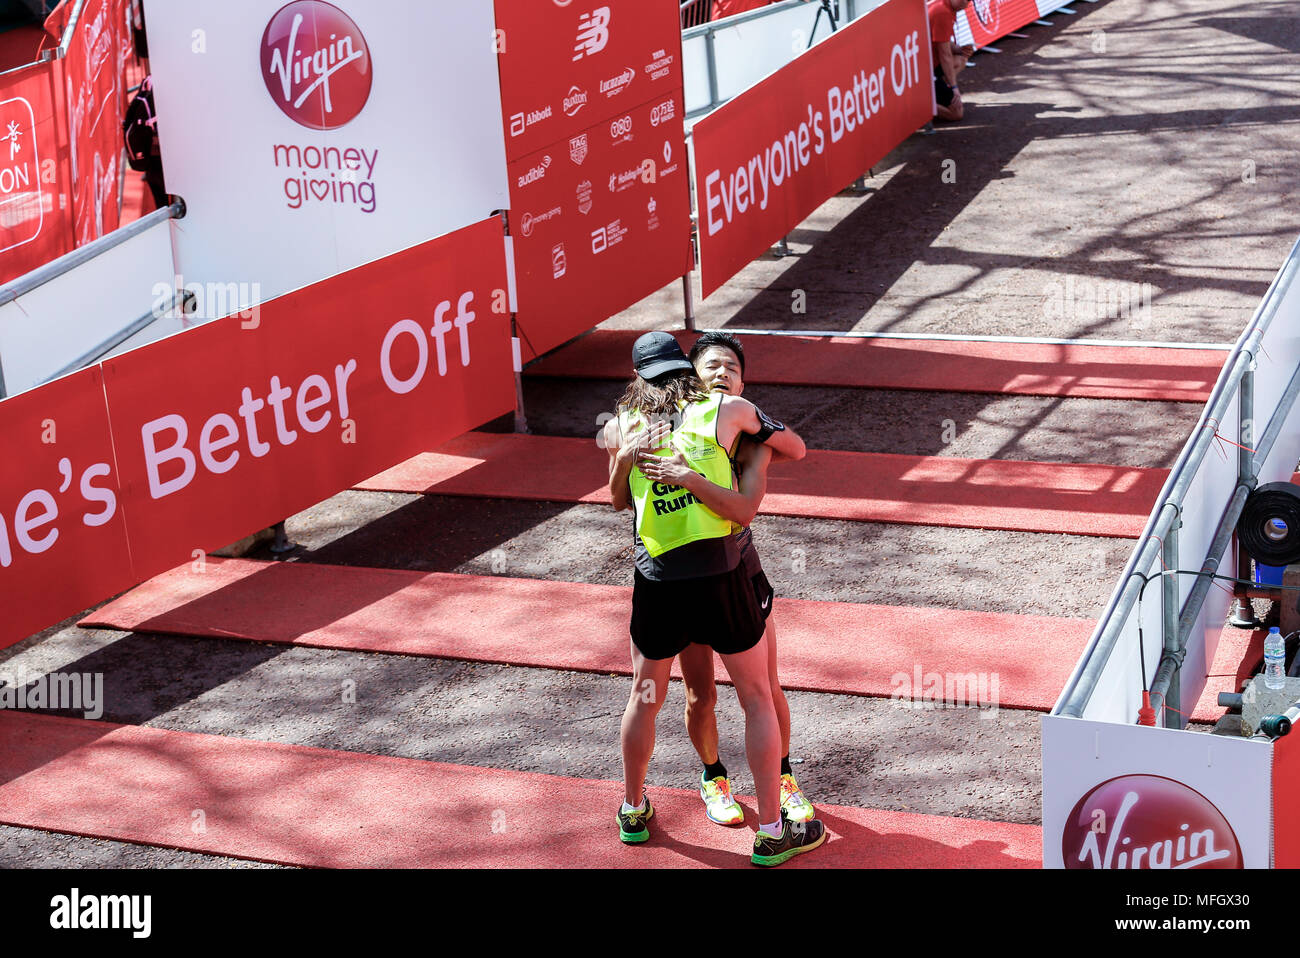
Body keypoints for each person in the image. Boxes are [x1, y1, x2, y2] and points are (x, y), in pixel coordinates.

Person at [603, 331, 826, 866]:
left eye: (730, 365)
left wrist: (632, 459)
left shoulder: (624, 423)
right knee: (751, 696)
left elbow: (616, 500)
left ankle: (633, 808)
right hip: (717, 574)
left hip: (660, 579)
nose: (720, 372)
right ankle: (770, 830)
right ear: (688, 368)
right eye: (711, 364)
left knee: (646, 695)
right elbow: (621, 496)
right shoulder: (725, 413)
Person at [928, 0, 974, 122]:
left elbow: (943, 43)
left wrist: (959, 49)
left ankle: (937, 92)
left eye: (968, 1)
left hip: (931, 65)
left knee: (961, 60)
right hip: (927, 70)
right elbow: (945, 54)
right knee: (956, 114)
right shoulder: (942, 12)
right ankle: (922, 107)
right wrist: (954, 87)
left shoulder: (947, 7)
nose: (965, 4)